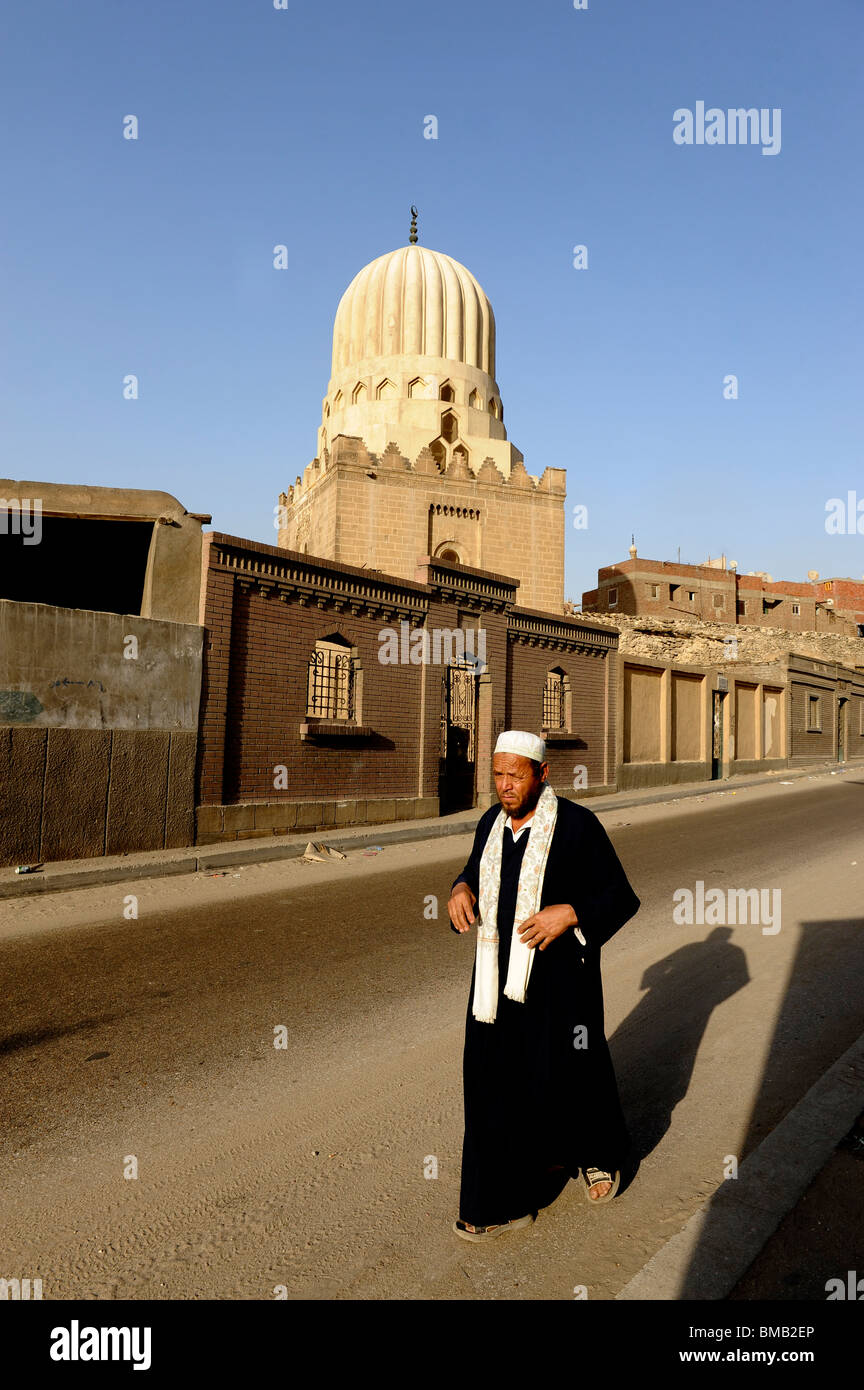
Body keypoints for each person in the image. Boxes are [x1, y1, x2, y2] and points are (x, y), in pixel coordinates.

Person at [448, 729, 640, 1241]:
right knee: (492, 1084)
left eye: (515, 775)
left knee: (573, 1071)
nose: (505, 786)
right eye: (498, 775)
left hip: (560, 986)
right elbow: (473, 870)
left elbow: (621, 898)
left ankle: (597, 1157)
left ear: (542, 774)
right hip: (495, 987)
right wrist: (460, 888)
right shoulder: (491, 824)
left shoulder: (577, 826)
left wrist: (571, 912)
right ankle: (496, 1200)